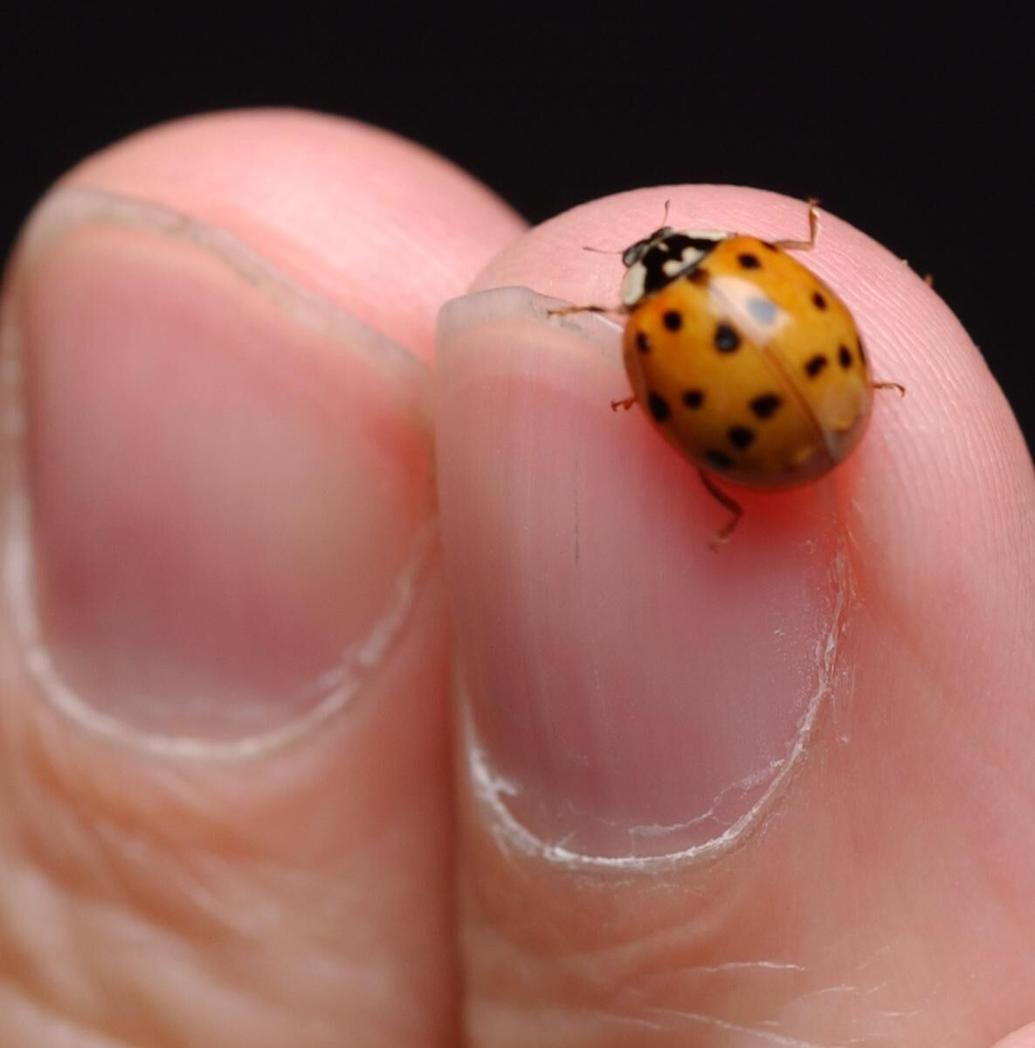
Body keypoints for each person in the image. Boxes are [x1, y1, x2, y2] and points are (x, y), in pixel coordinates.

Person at [1, 108, 1032, 1047]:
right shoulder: (726, 285)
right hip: (830, 401)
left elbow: (660, 397)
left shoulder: (649, 333)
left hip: (785, 436)